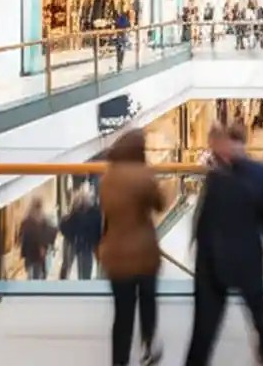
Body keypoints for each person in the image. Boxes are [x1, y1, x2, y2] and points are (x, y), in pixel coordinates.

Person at [186, 125, 263, 366]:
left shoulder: (221, 177)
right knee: (254, 309)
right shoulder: (252, 174)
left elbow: (204, 220)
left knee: (207, 329)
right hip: (239, 257)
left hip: (218, 261)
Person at [98, 130, 166, 366]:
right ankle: (148, 346)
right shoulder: (143, 175)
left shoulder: (107, 178)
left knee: (122, 314)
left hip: (115, 254)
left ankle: (119, 361)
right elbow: (159, 204)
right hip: (143, 252)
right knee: (147, 301)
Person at [59, 186, 103, 281]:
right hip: (87, 244)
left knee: (67, 264)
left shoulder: (74, 215)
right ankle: (83, 283)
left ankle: (64, 280)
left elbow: (63, 226)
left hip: (76, 242)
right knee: (85, 270)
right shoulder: (95, 214)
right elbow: (98, 229)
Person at [18, 197, 56, 281]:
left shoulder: (27, 221)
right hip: (37, 252)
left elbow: (21, 236)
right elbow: (48, 234)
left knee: (33, 274)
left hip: (33, 252)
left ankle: (32, 290)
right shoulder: (42, 220)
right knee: (36, 274)